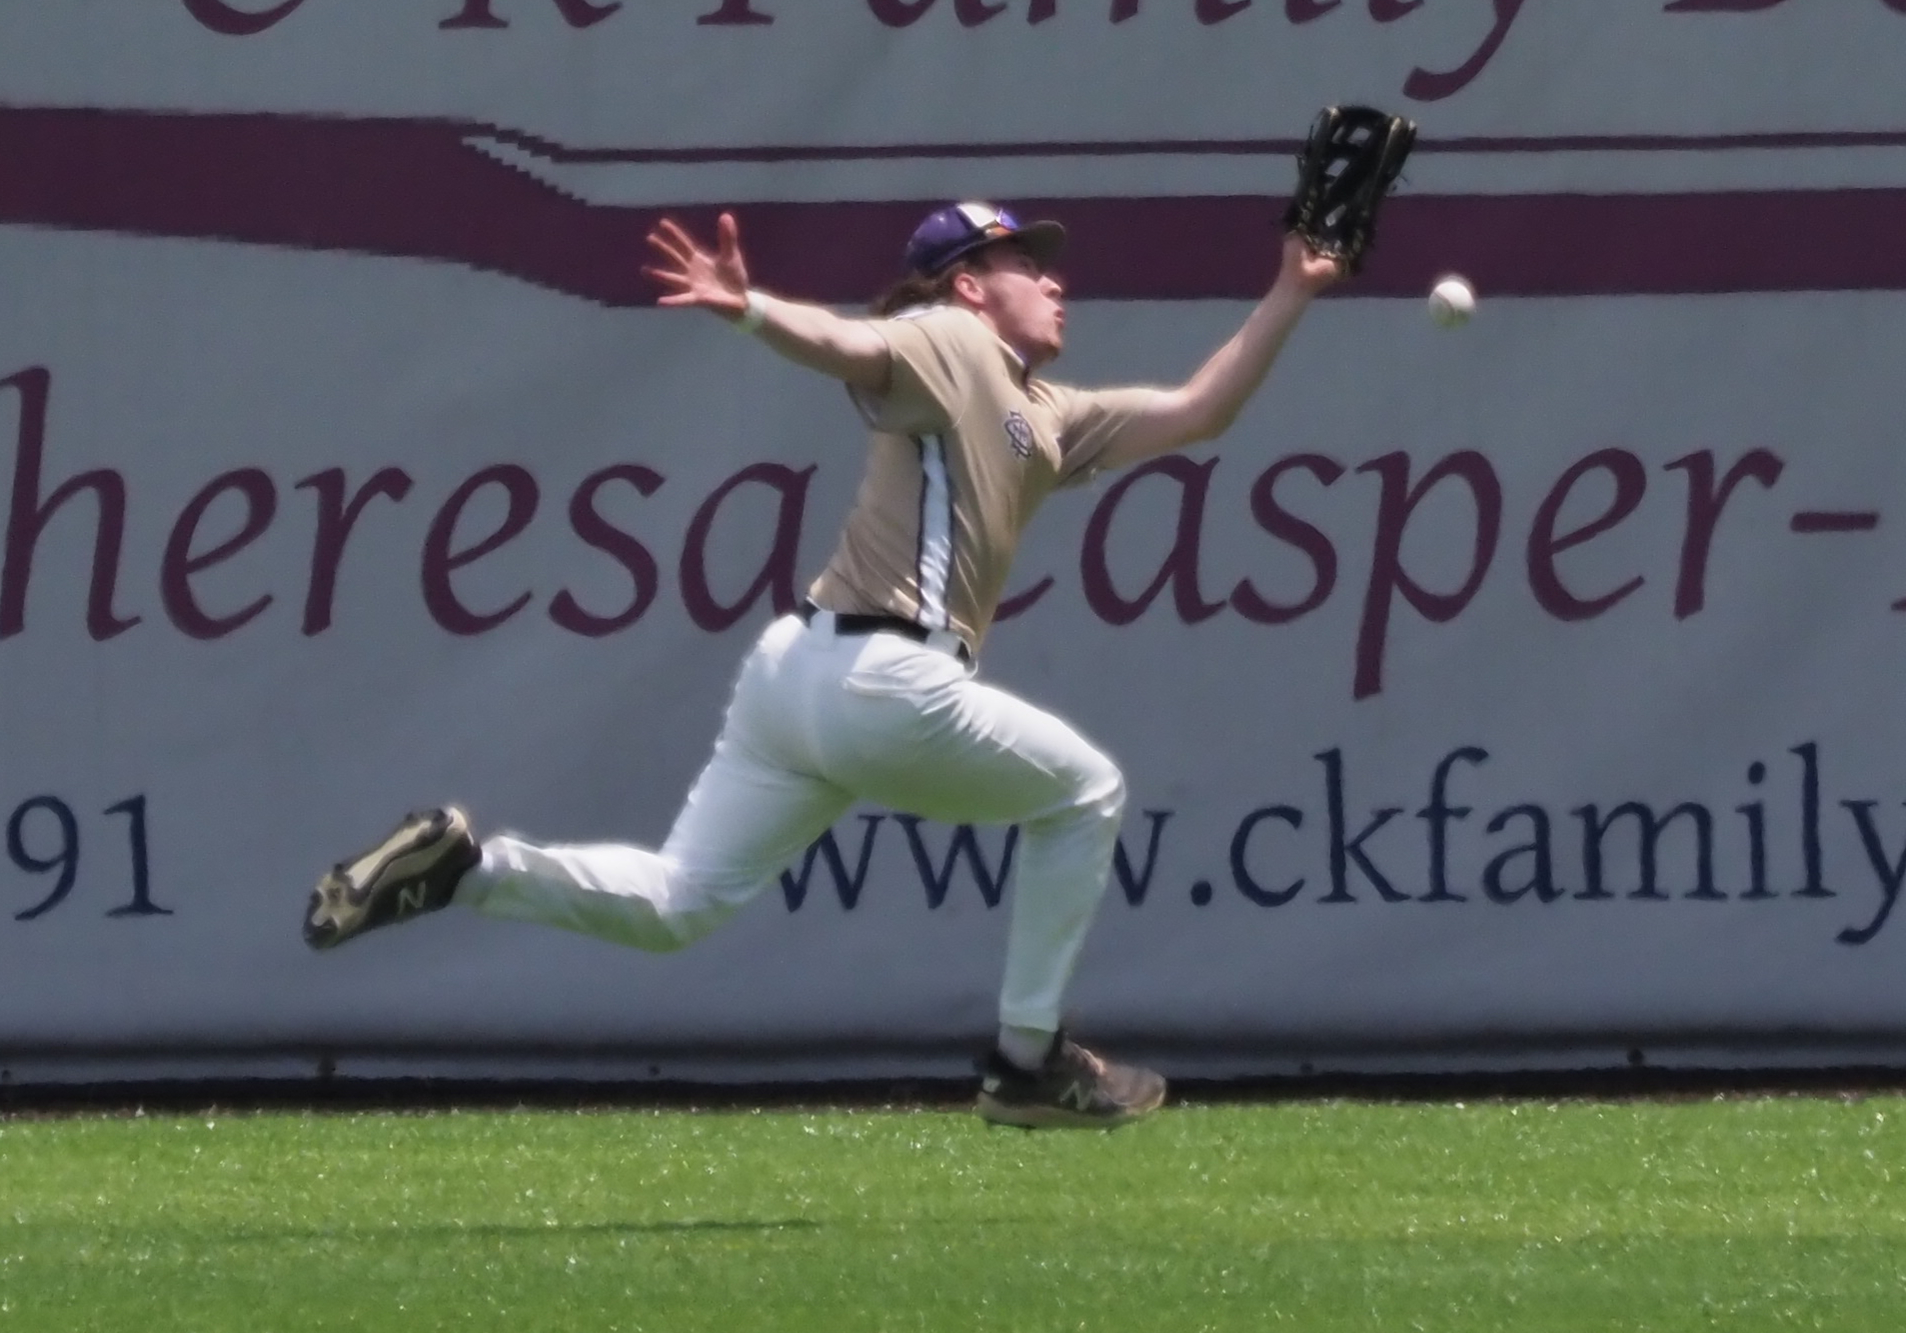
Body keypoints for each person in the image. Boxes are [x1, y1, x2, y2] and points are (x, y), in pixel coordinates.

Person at [304, 201, 1343, 1127]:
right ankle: (1029, 1060)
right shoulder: (952, 337)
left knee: (678, 905)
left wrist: (1290, 290)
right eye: (1026, 263)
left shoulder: (1042, 411)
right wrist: (751, 307)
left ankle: (470, 869)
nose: (1053, 278)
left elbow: (1200, 411)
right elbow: (855, 344)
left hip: (795, 672)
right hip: (884, 678)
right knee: (1087, 792)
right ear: (972, 286)